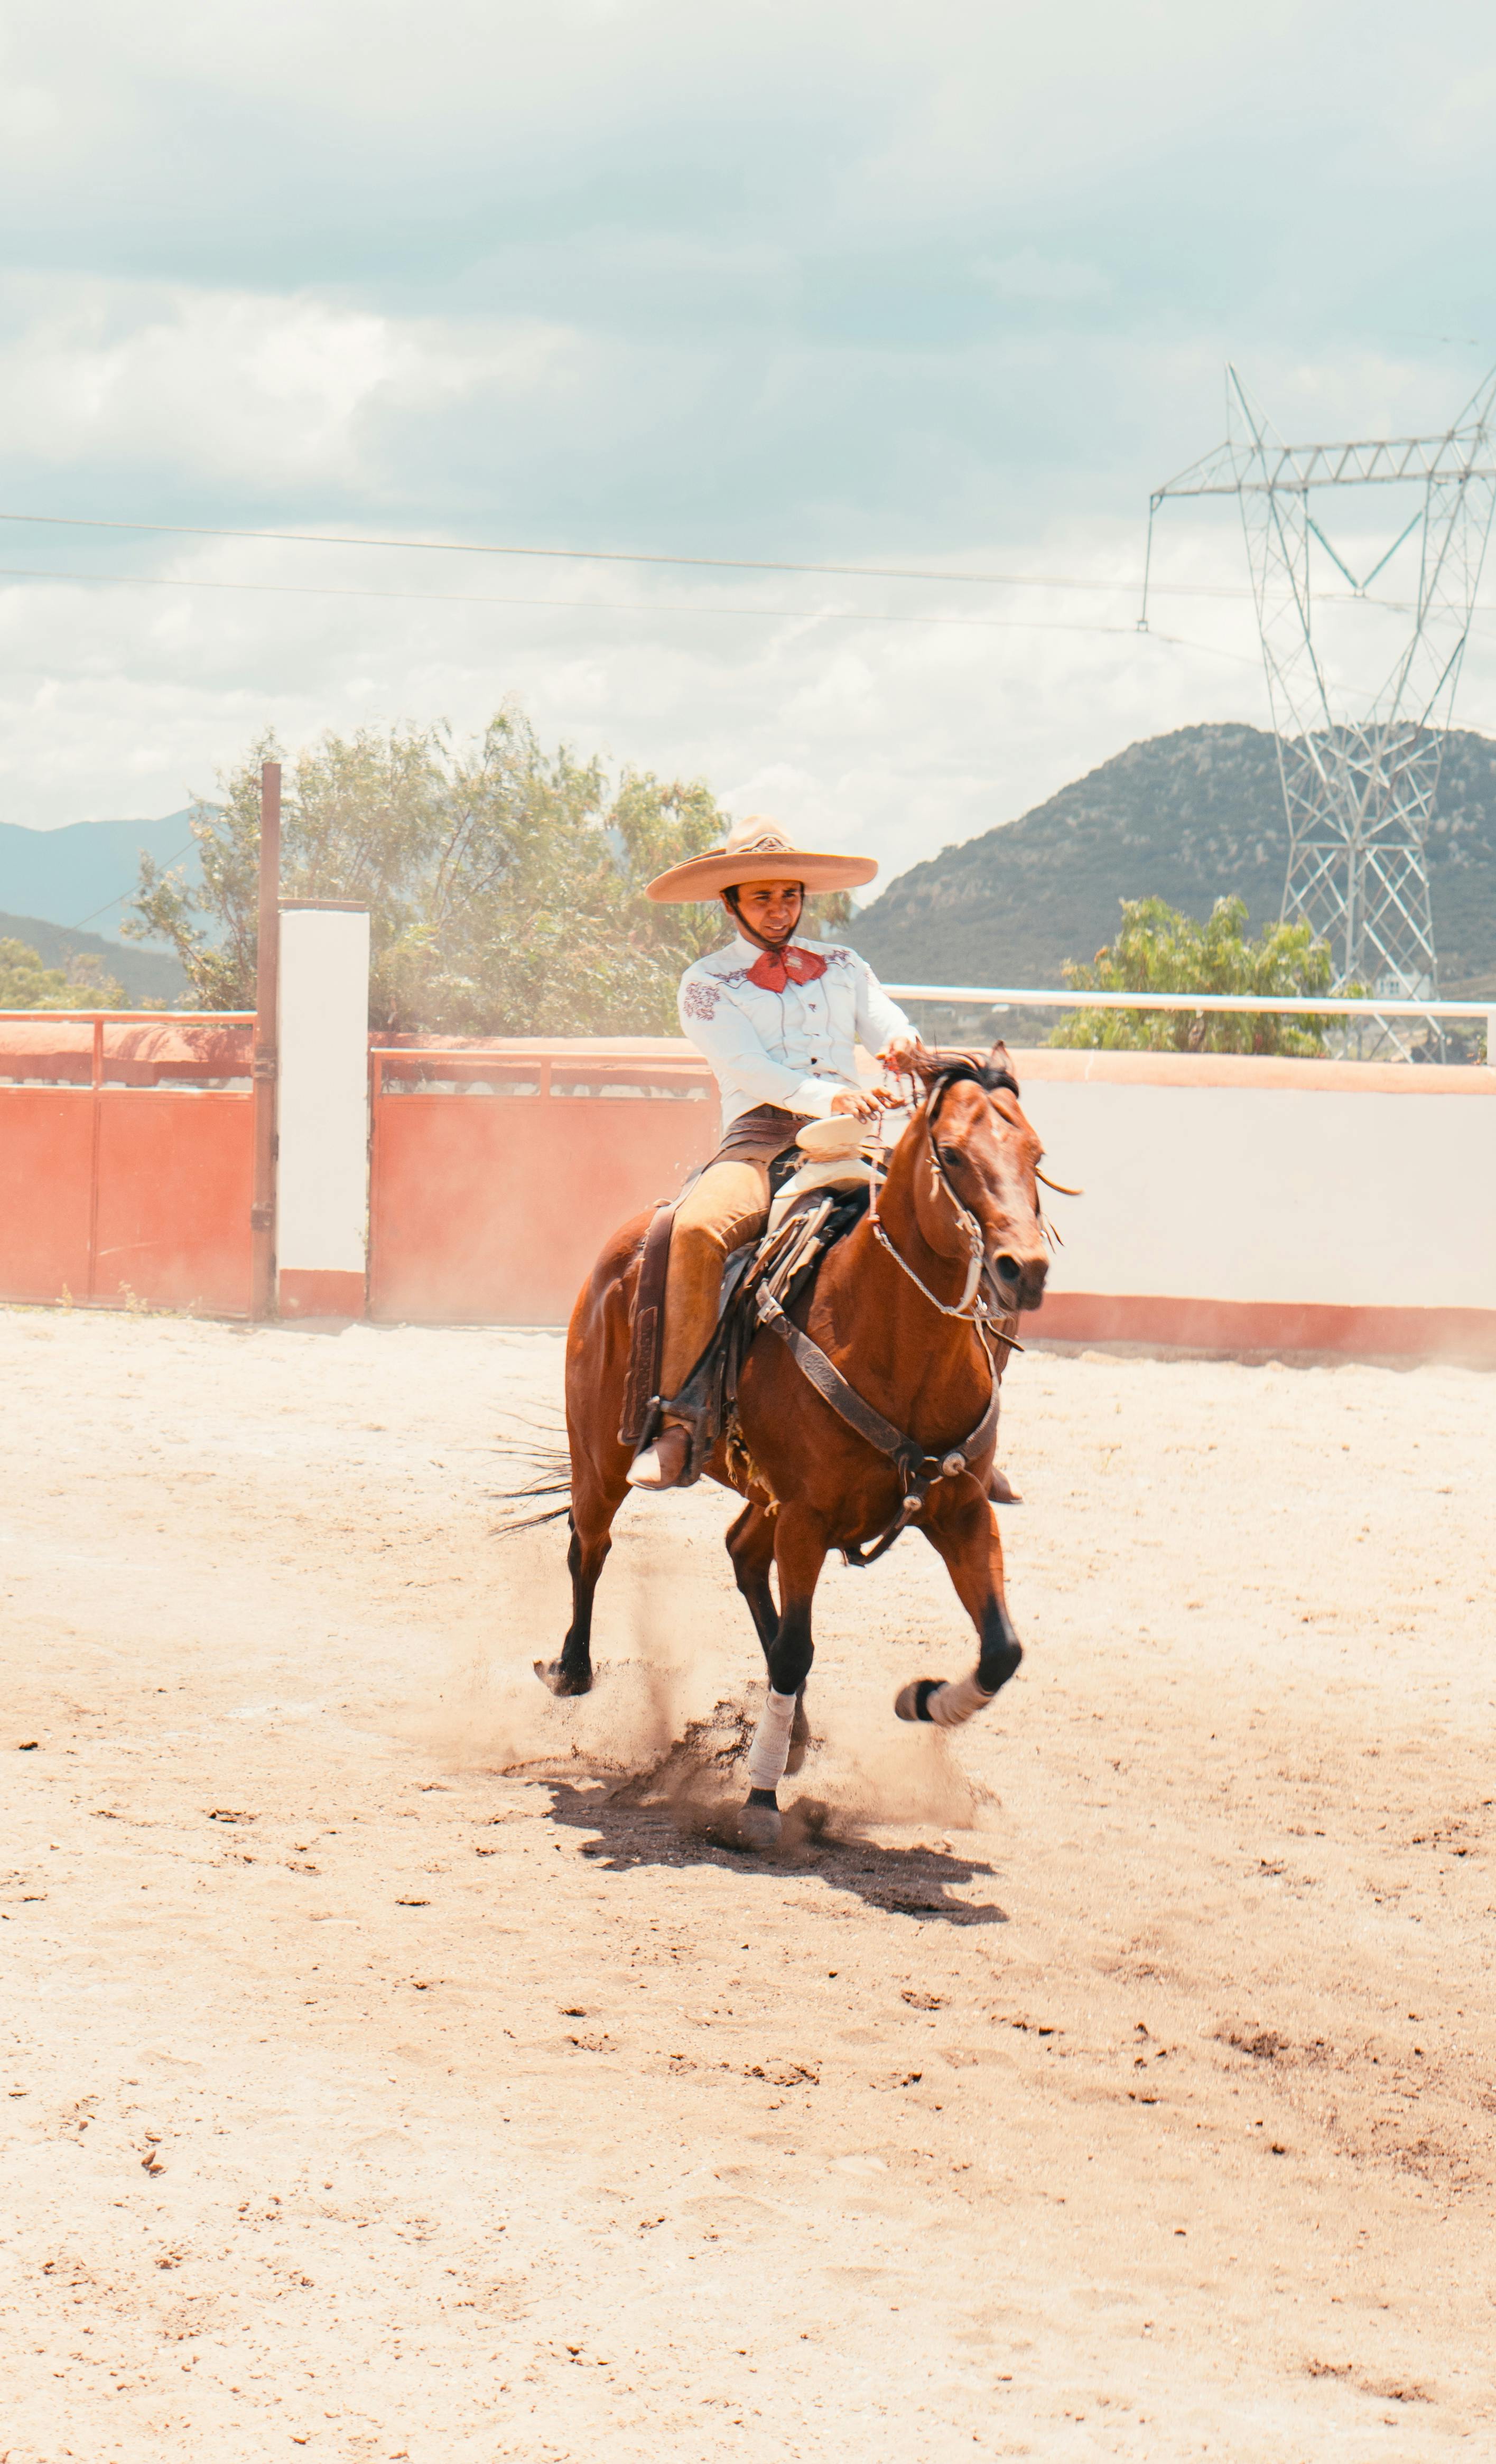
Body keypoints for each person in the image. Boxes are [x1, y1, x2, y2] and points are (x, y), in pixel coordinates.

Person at [627, 814, 916, 1490]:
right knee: (693, 1230)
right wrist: (829, 1096)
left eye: (789, 895)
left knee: (952, 1216)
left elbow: (883, 1017)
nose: (779, 910)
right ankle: (679, 1422)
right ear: (728, 902)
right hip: (760, 1142)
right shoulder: (705, 984)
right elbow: (749, 1068)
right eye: (761, 898)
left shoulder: (845, 965)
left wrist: (900, 1043)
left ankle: (964, 1419)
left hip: (852, 1136)